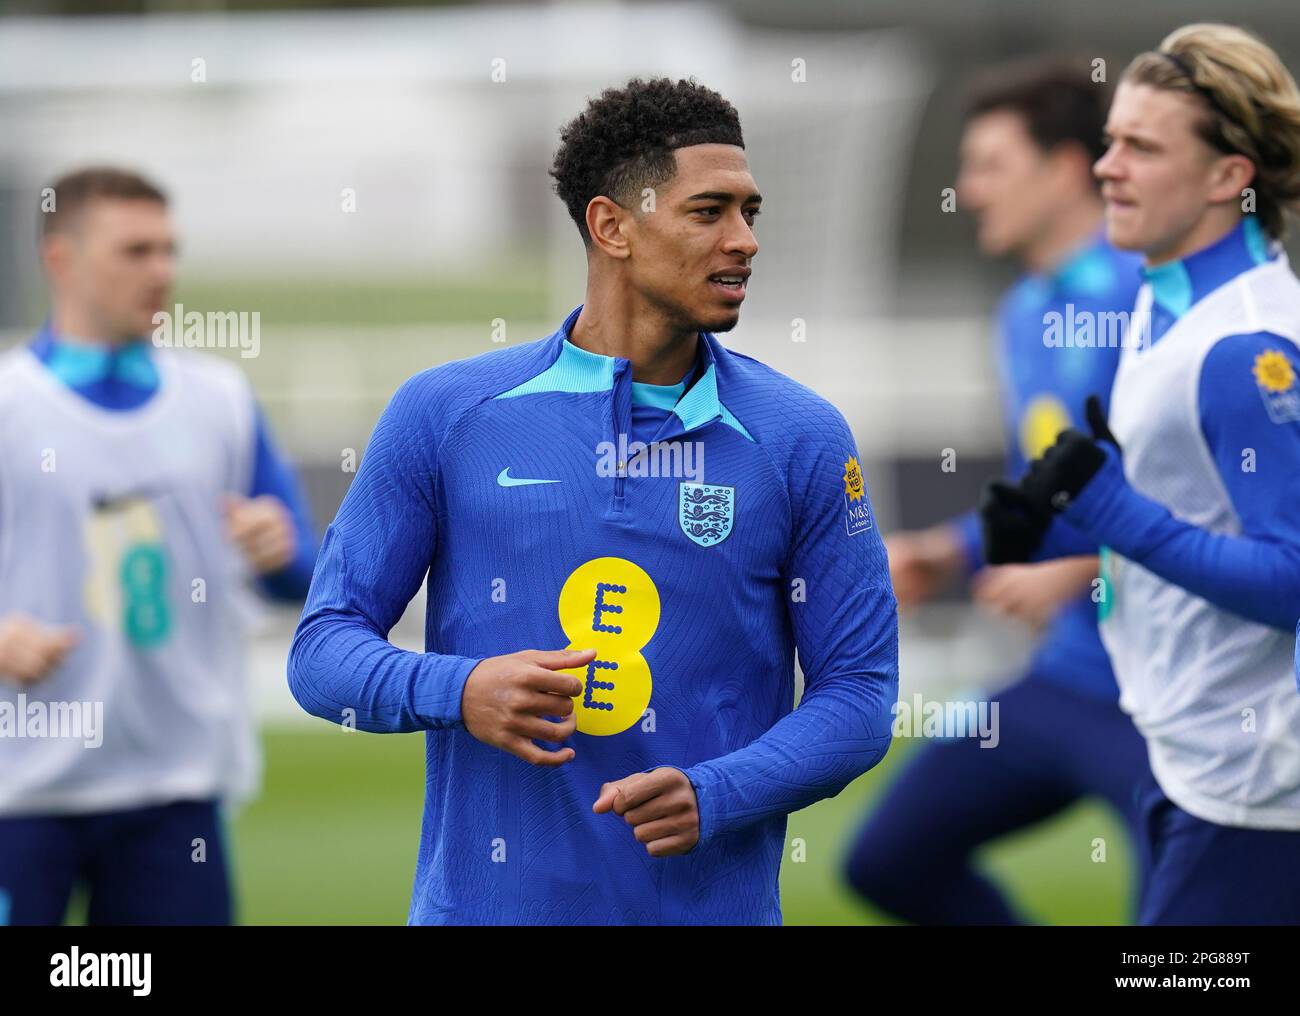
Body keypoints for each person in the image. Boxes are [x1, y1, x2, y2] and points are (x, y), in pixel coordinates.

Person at [287, 77, 899, 925]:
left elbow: (861, 696)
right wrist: (458, 690)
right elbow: (321, 651)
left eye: (750, 212)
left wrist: (716, 793)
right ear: (612, 225)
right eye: (708, 211)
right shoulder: (447, 414)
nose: (744, 240)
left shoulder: (803, 438)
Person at [982, 24, 1300, 924]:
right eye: (1112, 139)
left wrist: (1113, 513)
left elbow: (1294, 578)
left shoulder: (1245, 348)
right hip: (1192, 763)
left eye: (1142, 148)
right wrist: (1044, 525)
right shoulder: (1164, 300)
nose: (1106, 167)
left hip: (1257, 789)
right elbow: (1189, 509)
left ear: (1228, 177)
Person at [843, 60, 1151, 924]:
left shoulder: (1151, 300)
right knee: (889, 862)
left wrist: (1090, 572)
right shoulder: (1023, 312)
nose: (967, 190)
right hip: (1068, 675)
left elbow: (1215, 505)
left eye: (988, 165)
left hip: (1171, 694)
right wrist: (950, 551)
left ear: (1061, 170)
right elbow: (1051, 494)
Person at [0, 167, 317, 925]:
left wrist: (279, 553)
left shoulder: (219, 400)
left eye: (169, 250)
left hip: (173, 787)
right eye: (135, 251)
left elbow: (306, 576)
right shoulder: (9, 404)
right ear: (61, 259)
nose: (161, 272)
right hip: (20, 787)